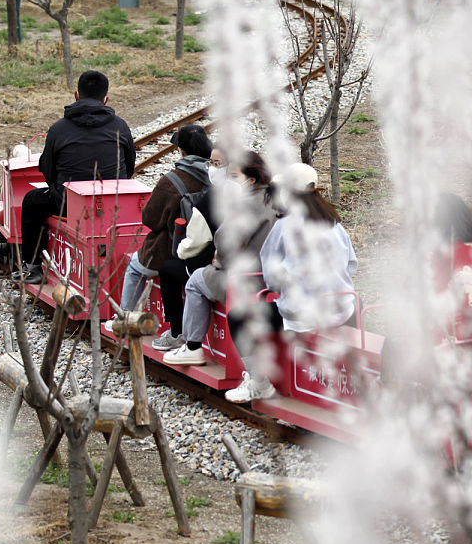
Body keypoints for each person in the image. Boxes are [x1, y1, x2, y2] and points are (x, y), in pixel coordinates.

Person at [224, 163, 358, 403]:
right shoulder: (334, 222)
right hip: (342, 307)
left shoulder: (286, 224)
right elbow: (351, 264)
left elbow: (272, 274)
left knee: (238, 317)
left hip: (304, 313)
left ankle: (259, 382)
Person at [17, 70, 134, 284]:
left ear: (76, 95)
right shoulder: (121, 126)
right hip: (113, 203)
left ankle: (33, 267)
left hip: (68, 204)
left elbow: (47, 170)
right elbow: (129, 166)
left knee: (32, 200)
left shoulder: (58, 129)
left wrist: (60, 189)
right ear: (106, 99)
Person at [163, 153, 276, 366]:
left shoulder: (243, 205)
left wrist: (218, 263)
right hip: (272, 278)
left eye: (234, 176)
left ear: (250, 180)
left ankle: (192, 346)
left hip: (244, 280)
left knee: (196, 279)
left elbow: (224, 243)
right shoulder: (276, 199)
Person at [113, 124, 213, 347]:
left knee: (134, 266)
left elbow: (149, 218)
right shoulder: (215, 175)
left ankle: (126, 318)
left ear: (182, 151)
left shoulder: (173, 180)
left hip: (171, 249)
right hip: (206, 249)